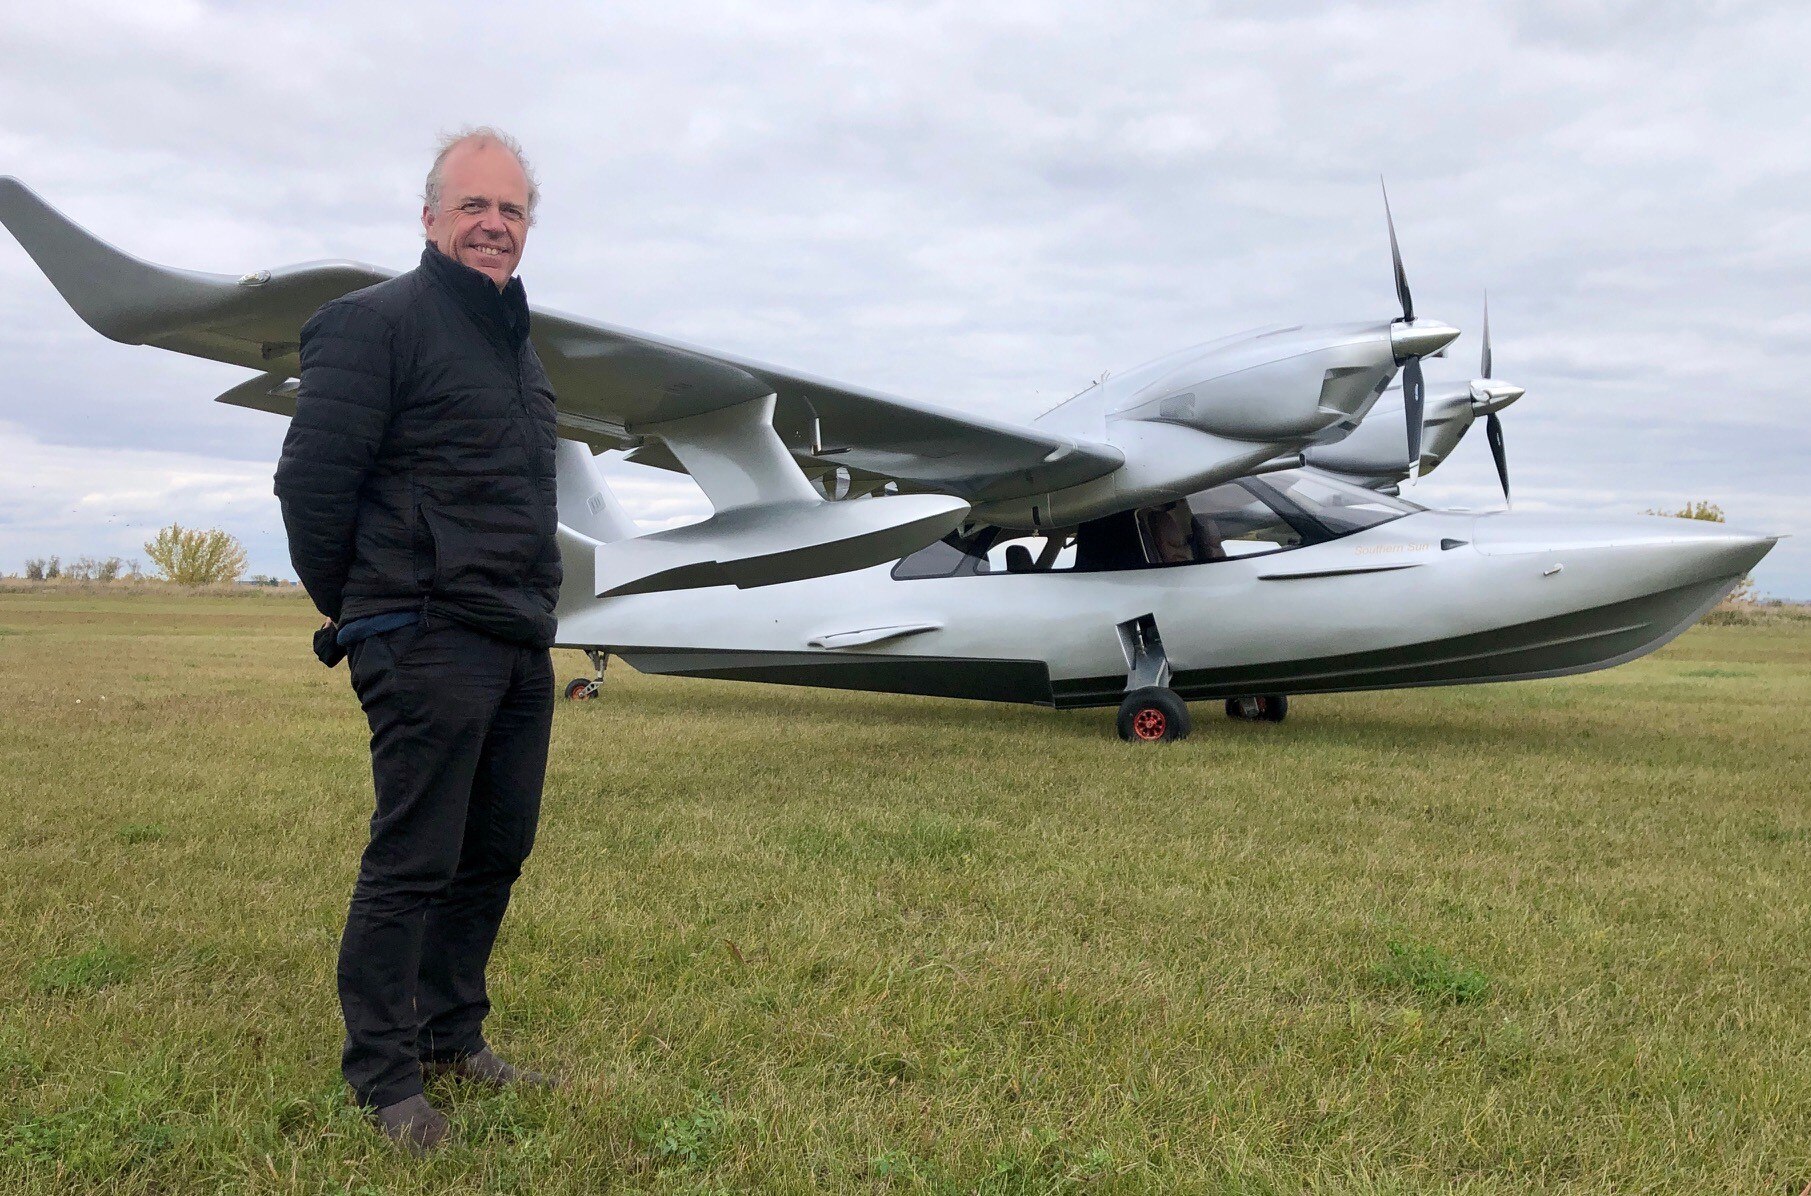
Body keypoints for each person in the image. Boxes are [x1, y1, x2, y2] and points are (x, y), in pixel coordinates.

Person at [273, 126, 562, 1154]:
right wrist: (366, 610)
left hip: (517, 640)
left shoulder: (519, 350)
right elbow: (309, 485)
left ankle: (451, 1036)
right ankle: (384, 1074)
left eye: (512, 210)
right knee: (415, 858)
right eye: (474, 206)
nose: (494, 225)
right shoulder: (370, 324)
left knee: (494, 850)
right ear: (431, 217)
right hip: (424, 633)